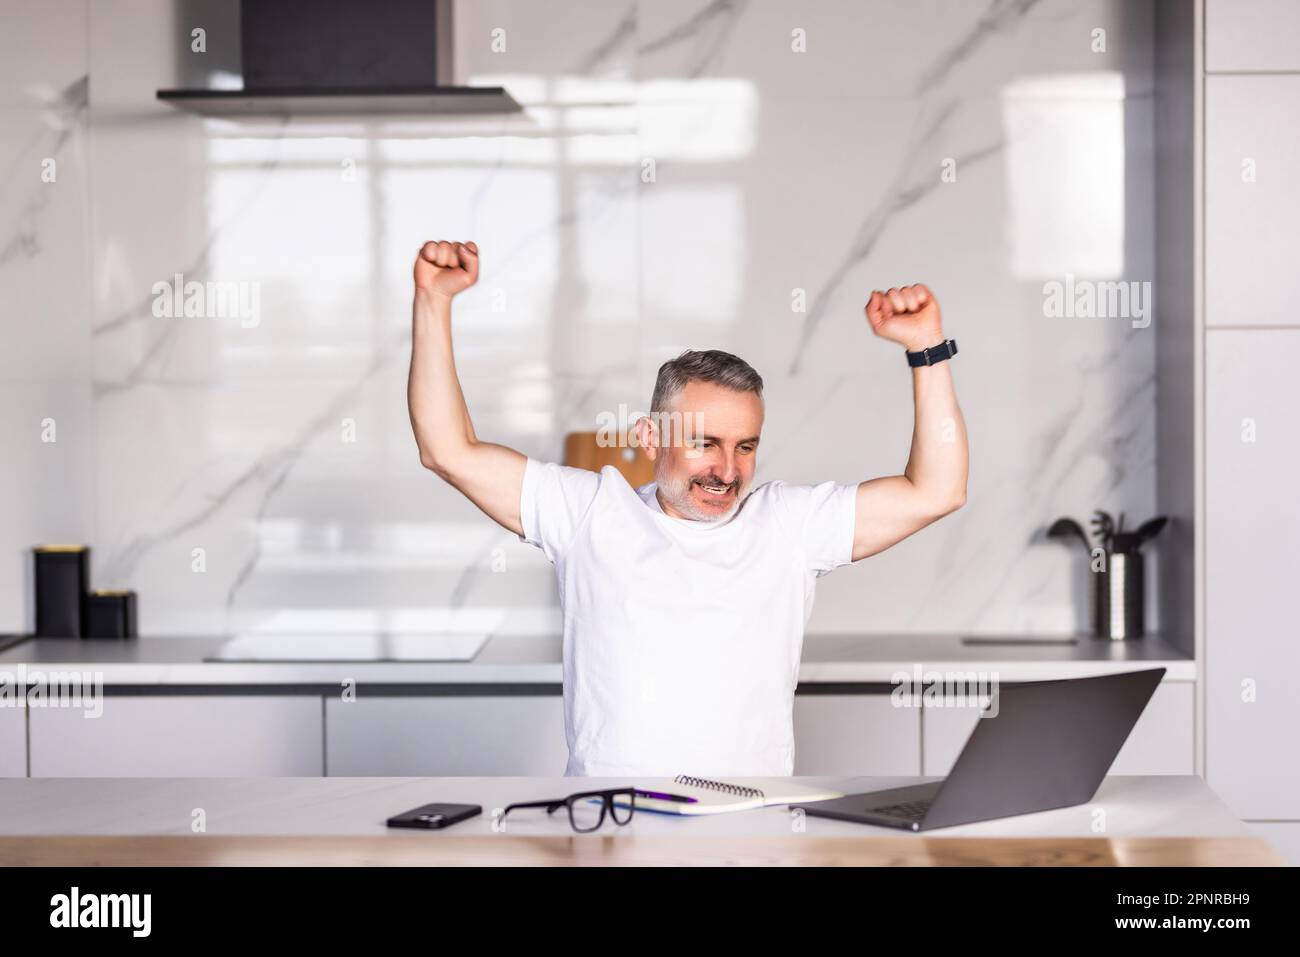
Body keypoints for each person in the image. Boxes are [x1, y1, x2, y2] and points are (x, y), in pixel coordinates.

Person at [407, 240, 968, 776]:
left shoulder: (789, 526)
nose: (727, 470)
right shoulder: (588, 514)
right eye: (704, 443)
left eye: (744, 446)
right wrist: (433, 300)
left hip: (752, 834)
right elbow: (447, 450)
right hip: (610, 829)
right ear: (651, 438)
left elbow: (936, 491)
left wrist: (927, 348)